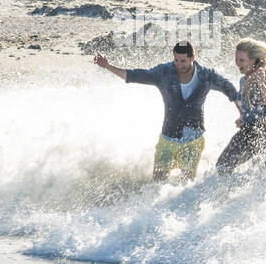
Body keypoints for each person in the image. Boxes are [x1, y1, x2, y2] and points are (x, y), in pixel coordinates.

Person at [93, 40, 239, 182]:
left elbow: (230, 90)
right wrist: (107, 66)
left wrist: (242, 115)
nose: (179, 65)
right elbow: (132, 75)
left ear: (192, 58)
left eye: (183, 61)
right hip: (168, 137)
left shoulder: (206, 76)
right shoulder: (163, 73)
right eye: (176, 60)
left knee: (187, 183)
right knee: (157, 181)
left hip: (193, 139)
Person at [216, 39, 266, 176]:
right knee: (223, 166)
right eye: (236, 59)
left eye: (242, 60)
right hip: (249, 130)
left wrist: (261, 83)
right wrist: (243, 117)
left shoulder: (263, 74)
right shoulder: (244, 79)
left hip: (265, 132)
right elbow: (252, 106)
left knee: (225, 166)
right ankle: (232, 195)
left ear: (253, 60)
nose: (238, 64)